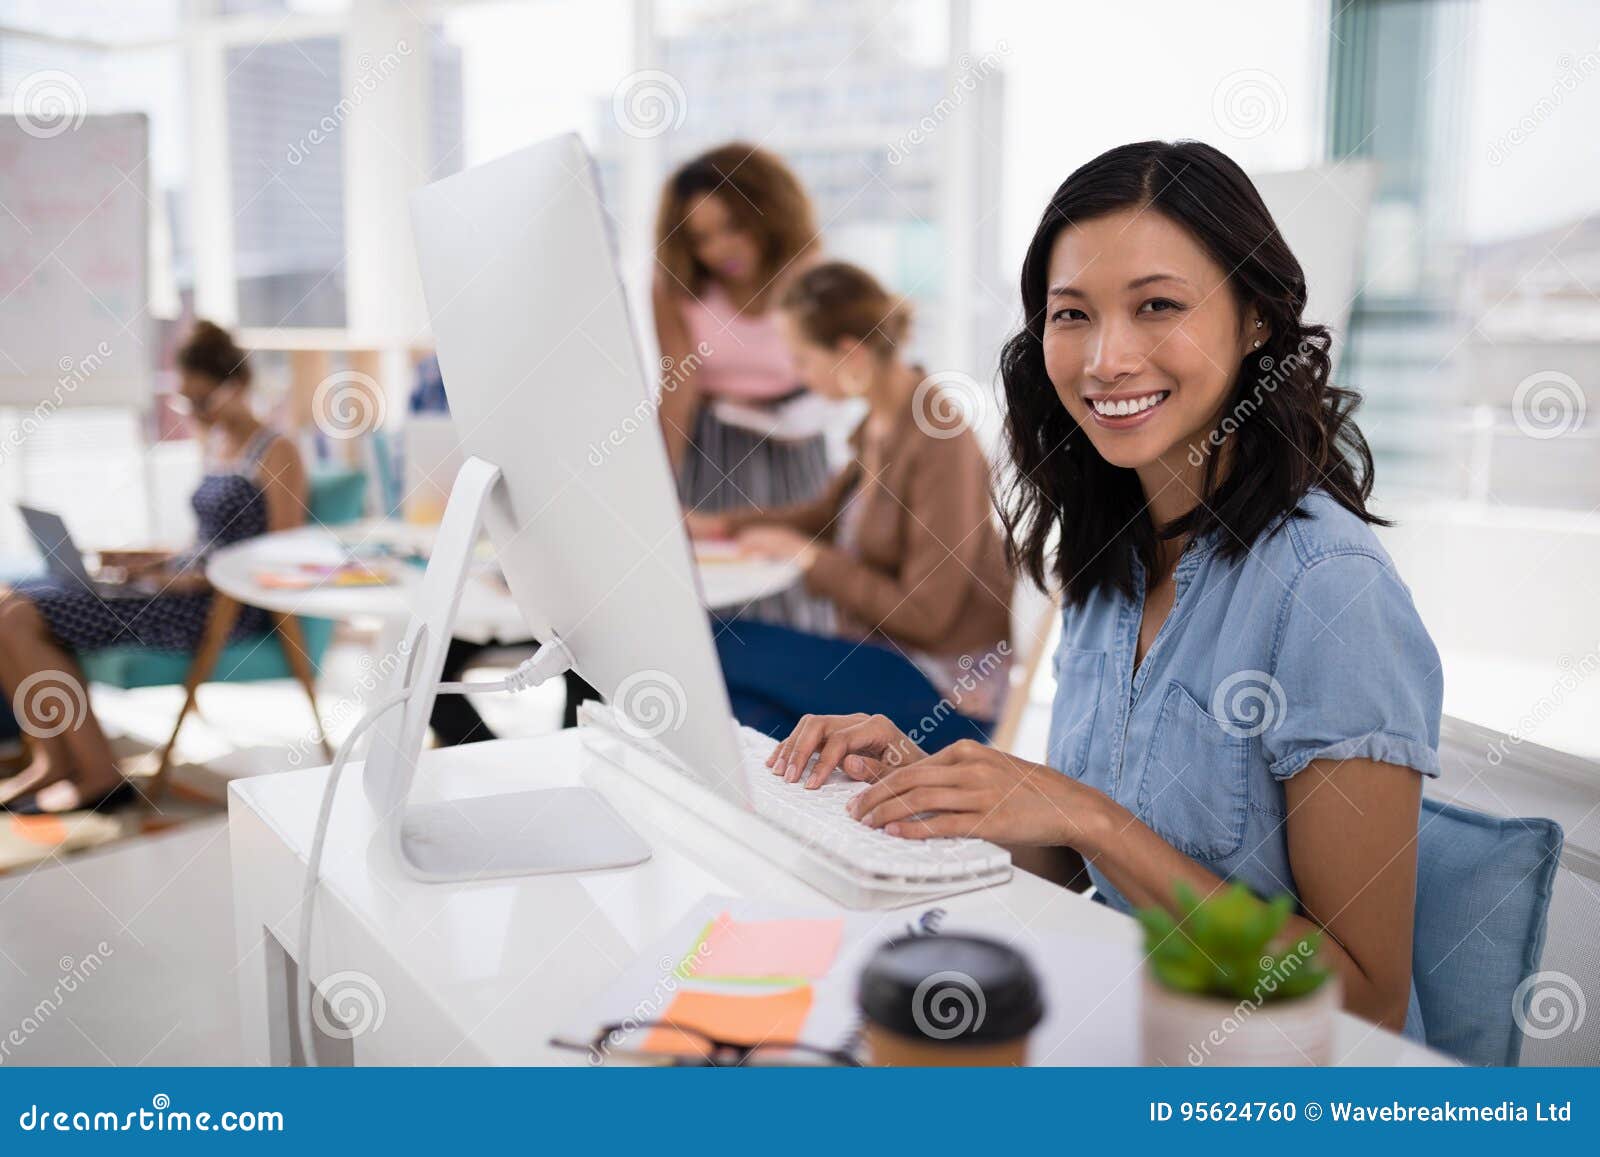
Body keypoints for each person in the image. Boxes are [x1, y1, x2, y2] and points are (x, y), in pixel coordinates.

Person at [765, 141, 1444, 1040]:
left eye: (1158, 305)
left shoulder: (1329, 590)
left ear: (1256, 322)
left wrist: (1094, 818)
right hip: (1130, 1028)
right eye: (1072, 314)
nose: (1106, 358)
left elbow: (1363, 1001)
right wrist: (936, 789)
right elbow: (1070, 861)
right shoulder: (1112, 556)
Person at [687, 262, 1011, 756]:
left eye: (802, 360)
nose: (798, 376)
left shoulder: (940, 436)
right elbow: (825, 515)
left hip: (943, 689)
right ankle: (817, 799)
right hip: (886, 662)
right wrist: (720, 525)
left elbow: (928, 616)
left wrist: (811, 558)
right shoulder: (880, 423)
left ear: (848, 354)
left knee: (709, 646)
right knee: (739, 708)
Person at [0, 321, 308, 814]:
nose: (195, 412)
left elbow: (278, 559)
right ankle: (52, 759)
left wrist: (192, 579)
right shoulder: (216, 444)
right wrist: (149, 560)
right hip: (178, 589)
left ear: (239, 386)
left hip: (223, 607)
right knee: (6, 601)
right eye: (187, 401)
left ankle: (98, 772)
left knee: (17, 617)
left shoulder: (277, 452)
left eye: (203, 399)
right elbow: (206, 540)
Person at [653, 143, 832, 630]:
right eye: (701, 238)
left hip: (794, 447)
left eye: (732, 228)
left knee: (790, 585)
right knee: (714, 591)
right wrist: (655, 485)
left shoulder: (809, 273)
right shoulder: (676, 286)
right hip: (711, 449)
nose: (718, 251)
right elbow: (678, 386)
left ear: (767, 213)